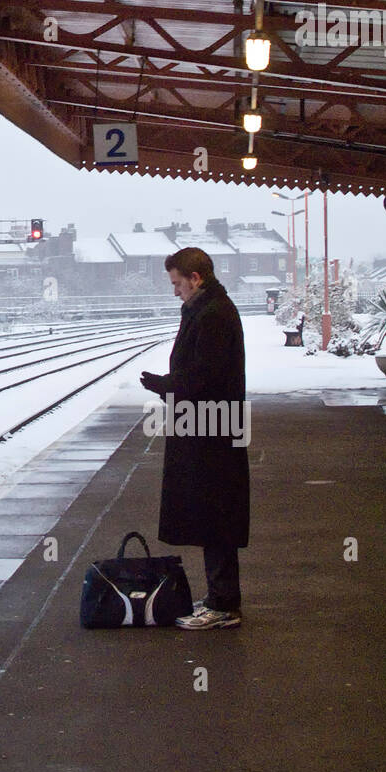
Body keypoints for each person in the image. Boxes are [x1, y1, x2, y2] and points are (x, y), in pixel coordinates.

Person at [140, 247, 248, 630]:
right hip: (207, 424)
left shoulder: (214, 315)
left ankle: (224, 604)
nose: (175, 292)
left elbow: (205, 376)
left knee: (216, 512)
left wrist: (165, 385)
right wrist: (170, 387)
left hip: (213, 428)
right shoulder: (209, 309)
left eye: (177, 283)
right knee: (211, 511)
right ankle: (220, 596)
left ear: (195, 278)